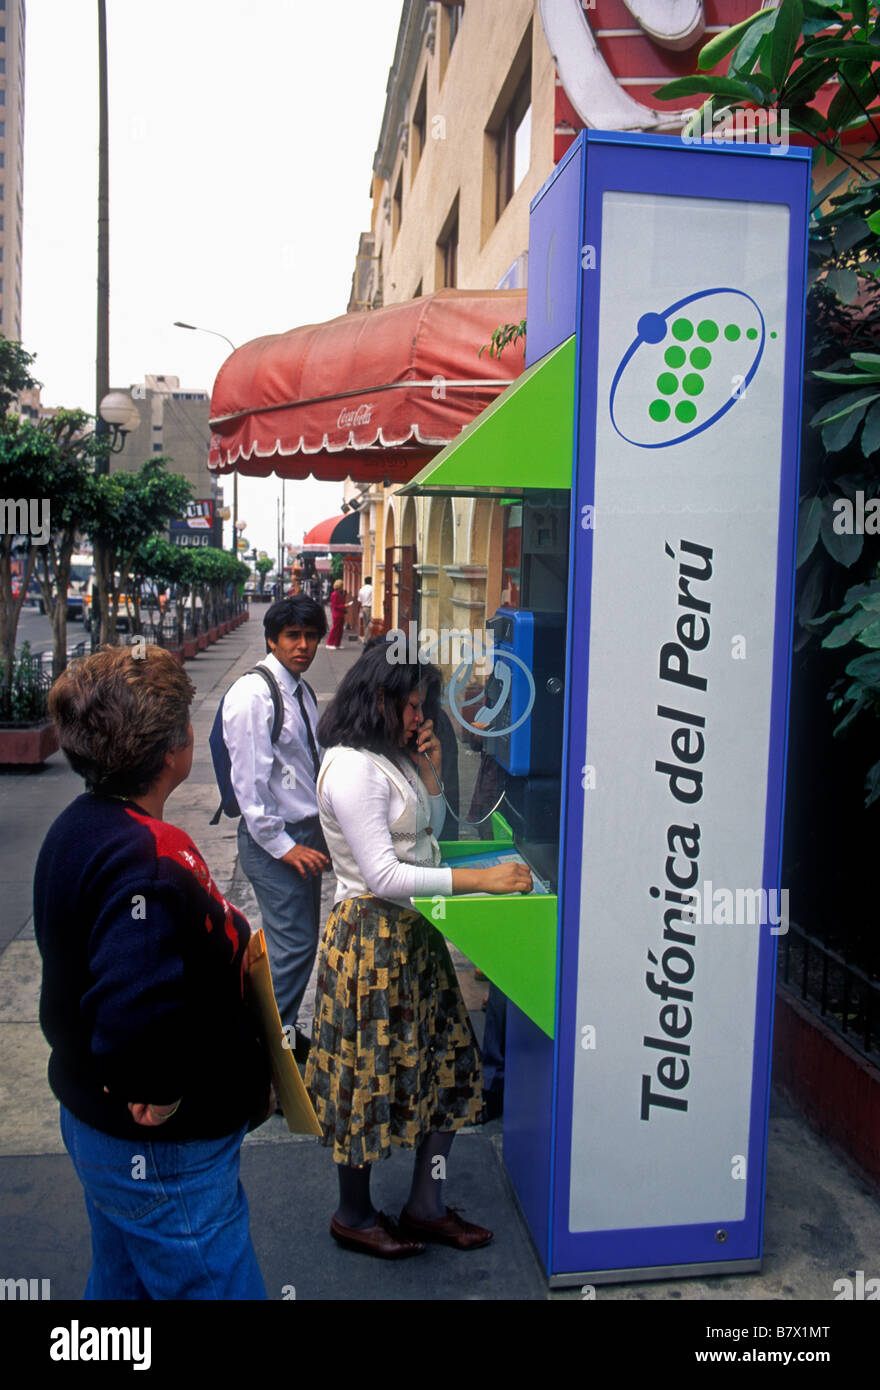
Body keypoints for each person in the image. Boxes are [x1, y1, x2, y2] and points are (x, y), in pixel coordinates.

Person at [34, 645, 271, 1300]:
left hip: (98, 1130)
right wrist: (158, 1084)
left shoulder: (80, 826)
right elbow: (135, 1005)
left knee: (120, 1293)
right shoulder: (150, 859)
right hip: (163, 1156)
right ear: (175, 749)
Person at [305, 644, 532, 1259]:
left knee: (449, 1068)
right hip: (372, 942)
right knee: (368, 1079)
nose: (418, 716)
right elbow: (385, 874)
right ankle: (353, 1213)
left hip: (416, 938)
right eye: (410, 705)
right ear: (377, 698)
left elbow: (428, 832)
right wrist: (480, 881)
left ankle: (424, 1205)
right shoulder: (353, 768)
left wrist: (430, 770)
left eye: (421, 705)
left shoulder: (393, 756)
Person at [223, 596, 330, 1060]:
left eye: (311, 636)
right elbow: (249, 786)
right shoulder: (254, 694)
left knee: (299, 941)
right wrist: (282, 846)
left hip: (303, 834)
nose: (303, 645)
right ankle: (263, 1056)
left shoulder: (298, 687)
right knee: (296, 945)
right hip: (276, 842)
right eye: (293, 636)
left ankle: (280, 1033)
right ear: (272, 638)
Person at [325, 578, 346, 649]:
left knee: (340, 629)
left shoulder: (338, 594)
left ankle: (337, 643)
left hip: (340, 613)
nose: (343, 587)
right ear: (339, 586)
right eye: (342, 585)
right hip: (337, 614)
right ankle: (329, 643)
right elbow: (335, 605)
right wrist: (344, 606)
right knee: (335, 629)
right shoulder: (334, 594)